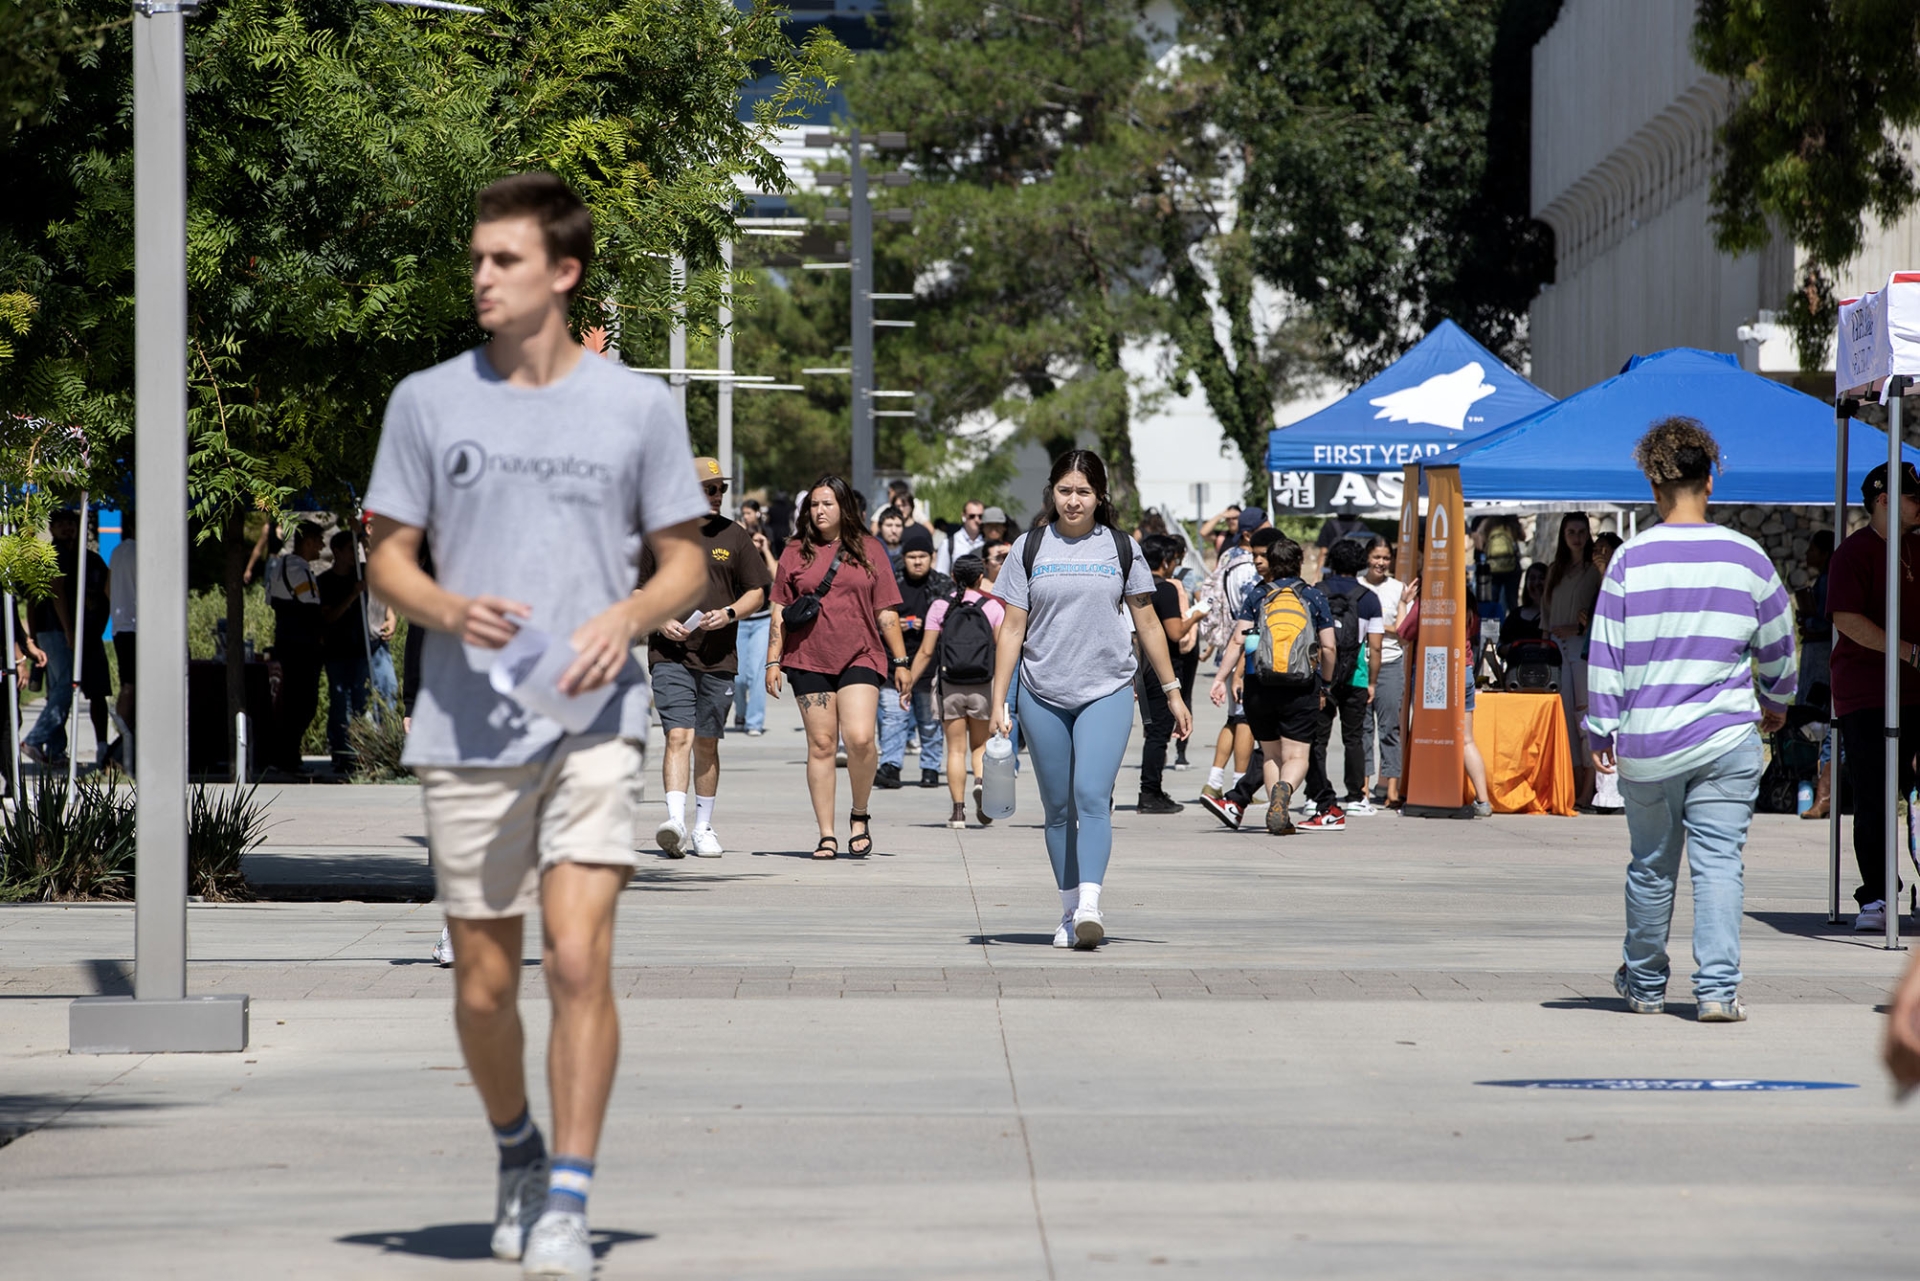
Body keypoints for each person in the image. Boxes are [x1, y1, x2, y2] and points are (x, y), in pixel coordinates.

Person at [364, 171, 710, 1281]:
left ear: (562, 272)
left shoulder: (636, 408)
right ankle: (516, 1146)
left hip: (594, 721)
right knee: (482, 983)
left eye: (503, 259)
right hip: (466, 727)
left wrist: (627, 616)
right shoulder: (428, 402)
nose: (482, 276)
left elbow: (686, 562)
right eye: (477, 258)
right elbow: (386, 556)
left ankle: (568, 1196)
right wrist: (447, 607)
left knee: (573, 957)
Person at [1586, 417, 1794, 1022]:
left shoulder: (1630, 560)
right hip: (1727, 737)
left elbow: (1606, 652)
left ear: (1654, 486)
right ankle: (1717, 992)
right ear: (1711, 480)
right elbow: (1780, 642)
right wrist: (1776, 700)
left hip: (1649, 742)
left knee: (1652, 867)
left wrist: (1602, 726)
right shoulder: (1748, 557)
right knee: (1719, 863)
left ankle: (1646, 985)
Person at [988, 449, 1192, 949]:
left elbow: (1147, 622)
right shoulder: (1029, 548)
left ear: (1100, 496)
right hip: (1042, 692)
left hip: (1108, 689)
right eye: (1065, 491)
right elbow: (1011, 628)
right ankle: (1066, 910)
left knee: (1091, 796)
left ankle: (1089, 906)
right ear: (1052, 493)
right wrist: (999, 699)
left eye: (1083, 492)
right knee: (1058, 807)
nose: (1073, 501)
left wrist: (1172, 692)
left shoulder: (1121, 548)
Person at [767, 474, 910, 859]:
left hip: (861, 653)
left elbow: (886, 611)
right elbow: (779, 610)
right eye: (814, 504)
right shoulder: (794, 551)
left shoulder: (870, 548)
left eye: (827, 503)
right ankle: (826, 834)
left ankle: (859, 814)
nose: (819, 511)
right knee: (822, 744)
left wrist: (901, 661)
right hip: (808, 657)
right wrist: (772, 660)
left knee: (861, 738)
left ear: (844, 507)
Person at [640, 456, 771, 858]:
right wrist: (660, 620)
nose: (717, 495)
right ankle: (675, 823)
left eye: (720, 489)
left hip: (718, 658)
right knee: (678, 735)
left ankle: (703, 827)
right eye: (708, 489)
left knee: (708, 743)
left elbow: (757, 592)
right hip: (671, 654)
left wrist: (729, 613)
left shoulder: (735, 536)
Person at [1826, 460, 1920, 932]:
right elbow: (1845, 618)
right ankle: (1879, 895)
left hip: (1917, 695)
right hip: (1867, 695)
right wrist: (1908, 652)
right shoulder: (1854, 552)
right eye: (1913, 498)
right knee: (1875, 796)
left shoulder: (1917, 547)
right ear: (1884, 500)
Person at [1206, 534, 1336, 835]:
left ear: (1270, 563)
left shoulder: (1258, 595)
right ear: (1299, 562)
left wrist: (1220, 678)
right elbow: (1329, 647)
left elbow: (1237, 640)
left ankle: (1280, 814)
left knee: (1271, 754)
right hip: (1302, 686)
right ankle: (1284, 791)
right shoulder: (1313, 597)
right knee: (1297, 755)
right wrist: (1326, 683)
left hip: (1260, 685)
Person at [901, 553, 1005, 828]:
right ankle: (980, 781)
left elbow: (926, 652)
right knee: (980, 746)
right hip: (983, 684)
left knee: (955, 751)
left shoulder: (940, 606)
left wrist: (908, 684)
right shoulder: (992, 607)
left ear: (953, 577)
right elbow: (1003, 650)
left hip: (950, 684)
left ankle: (958, 812)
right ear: (981, 577)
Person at [20, 508, 111, 770]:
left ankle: (56, 750)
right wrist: (61, 632)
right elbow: (48, 595)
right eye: (60, 523)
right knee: (64, 687)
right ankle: (35, 739)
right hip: (56, 631)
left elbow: (105, 593)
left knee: (60, 688)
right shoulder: (53, 556)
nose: (67, 527)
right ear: (51, 528)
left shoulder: (88, 559)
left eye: (71, 523)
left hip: (75, 633)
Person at [1303, 536, 1384, 826]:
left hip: (1319, 677)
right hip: (1356, 677)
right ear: (1360, 564)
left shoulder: (1315, 592)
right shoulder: (1369, 598)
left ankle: (1315, 795)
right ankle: (1356, 797)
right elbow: (1375, 647)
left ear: (1332, 562)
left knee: (1317, 739)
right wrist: (1372, 681)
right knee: (1354, 738)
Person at [877, 524, 951, 789]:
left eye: (922, 556)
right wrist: (897, 625)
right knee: (893, 718)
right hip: (893, 665)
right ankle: (890, 766)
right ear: (903, 558)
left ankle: (930, 768)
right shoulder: (891, 582)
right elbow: (876, 618)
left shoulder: (943, 586)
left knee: (930, 721)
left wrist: (930, 625)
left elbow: (953, 624)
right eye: (912, 557)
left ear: (932, 557)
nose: (917, 561)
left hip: (931, 666)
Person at [1137, 533, 1200, 814]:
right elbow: (1175, 633)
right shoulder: (1166, 589)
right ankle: (1150, 792)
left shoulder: (1137, 588)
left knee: (1153, 731)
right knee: (1159, 734)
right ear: (1165, 561)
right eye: (1174, 560)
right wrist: (1196, 616)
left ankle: (1152, 790)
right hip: (1164, 670)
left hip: (1141, 667)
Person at [1543, 511, 1602, 809]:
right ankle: (1573, 785)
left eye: (1581, 531)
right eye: (1571, 532)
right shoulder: (1555, 570)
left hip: (1582, 648)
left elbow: (1602, 609)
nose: (1577, 538)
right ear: (1563, 536)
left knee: (1584, 718)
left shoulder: (1595, 570)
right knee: (1564, 719)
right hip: (1556, 648)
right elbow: (1546, 614)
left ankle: (1589, 788)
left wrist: (1579, 628)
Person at [263, 521, 327, 775]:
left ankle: (286, 756)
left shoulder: (279, 567)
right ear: (307, 541)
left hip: (285, 642)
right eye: (319, 540)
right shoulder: (300, 570)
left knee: (290, 702)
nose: (322, 545)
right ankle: (288, 757)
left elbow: (271, 600)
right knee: (304, 703)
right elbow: (311, 608)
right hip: (303, 646)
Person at [1359, 537, 1409, 807]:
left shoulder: (1398, 589)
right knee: (1363, 729)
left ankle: (1392, 789)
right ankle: (1363, 788)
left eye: (1386, 558)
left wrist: (1375, 626)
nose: (1381, 563)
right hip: (1361, 666)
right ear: (1367, 557)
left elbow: (1403, 634)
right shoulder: (1357, 586)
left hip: (1390, 664)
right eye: (1376, 557)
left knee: (1390, 728)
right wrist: (1385, 628)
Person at [318, 529, 372, 771]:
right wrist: (353, 594)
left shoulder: (361, 573)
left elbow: (378, 557)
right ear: (337, 551)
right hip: (336, 650)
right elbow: (328, 616)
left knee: (361, 701)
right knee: (341, 702)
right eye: (351, 549)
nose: (355, 554)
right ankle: (341, 750)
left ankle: (360, 750)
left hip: (359, 649)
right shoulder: (325, 581)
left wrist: (361, 531)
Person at [730, 500, 779, 737]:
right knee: (738, 677)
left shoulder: (767, 541)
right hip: (739, 620)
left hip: (762, 620)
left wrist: (765, 549)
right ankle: (740, 711)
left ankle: (755, 722)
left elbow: (777, 576)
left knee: (758, 674)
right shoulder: (736, 548)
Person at [1798, 529, 1836, 820]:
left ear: (1824, 553)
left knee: (1822, 717)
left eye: (1812, 549)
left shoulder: (1828, 580)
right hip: (1819, 656)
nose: (1807, 554)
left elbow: (1826, 622)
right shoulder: (1825, 578)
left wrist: (1809, 622)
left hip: (1823, 658)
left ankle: (1823, 794)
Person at [107, 512, 136, 753]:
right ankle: (124, 742)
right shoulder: (144, 552)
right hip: (138, 626)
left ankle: (123, 737)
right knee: (132, 685)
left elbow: (107, 587)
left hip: (120, 626)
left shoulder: (117, 552)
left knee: (128, 684)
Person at [1480, 514, 1524, 616]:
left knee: (1493, 601)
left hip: (1493, 568)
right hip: (1512, 568)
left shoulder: (1488, 524)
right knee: (1512, 601)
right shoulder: (1512, 523)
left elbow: (1481, 544)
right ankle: (1514, 623)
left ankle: (1492, 623)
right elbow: (1523, 537)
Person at [936, 500, 987, 574]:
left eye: (980, 516)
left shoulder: (987, 542)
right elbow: (941, 574)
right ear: (963, 516)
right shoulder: (948, 544)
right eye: (972, 516)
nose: (976, 520)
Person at [876, 506, 907, 571]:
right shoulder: (872, 552)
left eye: (898, 526)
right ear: (880, 527)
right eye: (889, 525)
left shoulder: (908, 553)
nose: (894, 530)